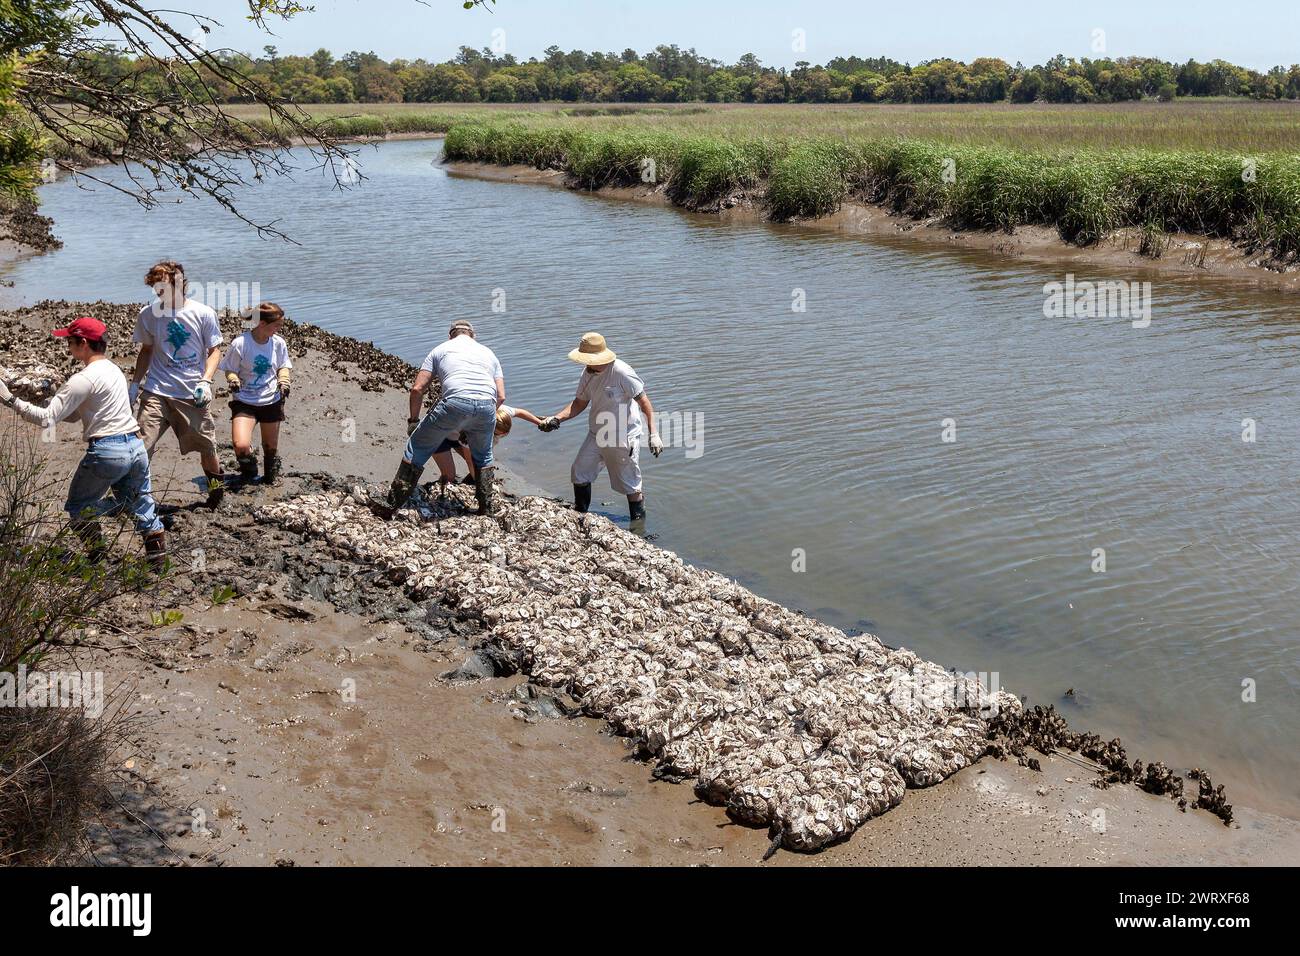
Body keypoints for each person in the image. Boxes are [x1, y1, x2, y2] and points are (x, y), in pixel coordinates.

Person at [0, 317, 167, 568]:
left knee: (78, 506)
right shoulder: (115, 370)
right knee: (144, 509)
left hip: (108, 453)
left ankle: (97, 555)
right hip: (135, 447)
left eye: (70, 341)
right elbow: (77, 414)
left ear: (84, 343)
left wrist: (10, 400)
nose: (67, 346)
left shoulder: (82, 379)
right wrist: (48, 404)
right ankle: (158, 564)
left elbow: (47, 420)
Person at [374, 320, 505, 518]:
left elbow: (418, 389)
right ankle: (486, 508)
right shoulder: (489, 353)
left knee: (416, 447)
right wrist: (474, 422)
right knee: (484, 456)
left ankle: (391, 504)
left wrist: (413, 421)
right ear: (473, 335)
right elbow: (501, 396)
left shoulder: (440, 350)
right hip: (487, 406)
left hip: (455, 403)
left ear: (450, 335)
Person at [129, 260, 225, 507]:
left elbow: (215, 351)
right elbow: (147, 350)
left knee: (207, 448)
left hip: (191, 393)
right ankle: (137, 498)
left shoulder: (203, 313)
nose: (159, 292)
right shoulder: (148, 314)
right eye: (156, 288)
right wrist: (134, 384)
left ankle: (216, 496)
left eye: (164, 286)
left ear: (179, 283)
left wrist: (206, 381)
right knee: (140, 447)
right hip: (156, 391)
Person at [538, 332, 662, 523]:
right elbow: (579, 403)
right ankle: (580, 514)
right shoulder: (588, 373)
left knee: (630, 484)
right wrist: (557, 419)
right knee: (579, 472)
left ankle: (638, 527)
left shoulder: (621, 372)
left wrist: (653, 434)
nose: (585, 364)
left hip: (623, 435)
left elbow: (644, 403)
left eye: (588, 360)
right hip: (597, 432)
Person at [219, 302, 293, 485]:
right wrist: (233, 380)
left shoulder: (278, 343)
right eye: (276, 325)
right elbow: (229, 369)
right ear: (262, 324)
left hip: (271, 401)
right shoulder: (240, 344)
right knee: (241, 445)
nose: (279, 329)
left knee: (270, 448)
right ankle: (250, 474)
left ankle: (270, 478)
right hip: (245, 401)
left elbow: (283, 366)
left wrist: (284, 381)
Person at [431, 403, 543, 485]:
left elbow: (520, 412)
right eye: (497, 435)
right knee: (450, 477)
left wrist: (540, 422)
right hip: (439, 435)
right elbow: (472, 462)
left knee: (478, 464)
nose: (499, 437)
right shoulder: (475, 431)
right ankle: (439, 494)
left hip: (457, 434)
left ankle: (466, 484)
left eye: (504, 434)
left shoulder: (501, 412)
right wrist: (482, 485)